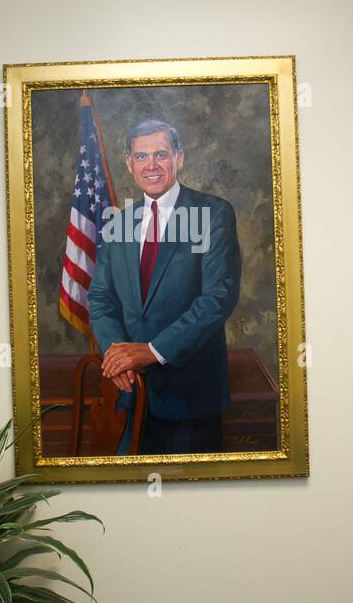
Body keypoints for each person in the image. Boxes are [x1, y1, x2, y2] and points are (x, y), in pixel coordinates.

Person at [88, 119, 242, 454]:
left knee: (193, 504)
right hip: (131, 395)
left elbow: (218, 297)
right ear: (129, 164)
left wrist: (151, 351)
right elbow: (100, 298)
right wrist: (118, 356)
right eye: (142, 157)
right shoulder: (119, 222)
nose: (152, 165)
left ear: (180, 158)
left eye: (161, 154)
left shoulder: (213, 213)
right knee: (129, 500)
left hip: (190, 400)